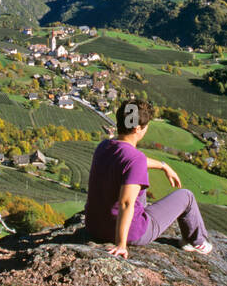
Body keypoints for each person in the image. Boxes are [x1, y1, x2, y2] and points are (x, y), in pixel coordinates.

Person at [84, 99, 213, 258]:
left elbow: (131, 162)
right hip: (132, 233)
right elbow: (125, 203)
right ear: (138, 129)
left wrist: (163, 165)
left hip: (95, 227)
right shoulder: (135, 159)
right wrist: (121, 244)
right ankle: (196, 241)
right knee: (186, 196)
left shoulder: (103, 146)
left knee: (136, 182)